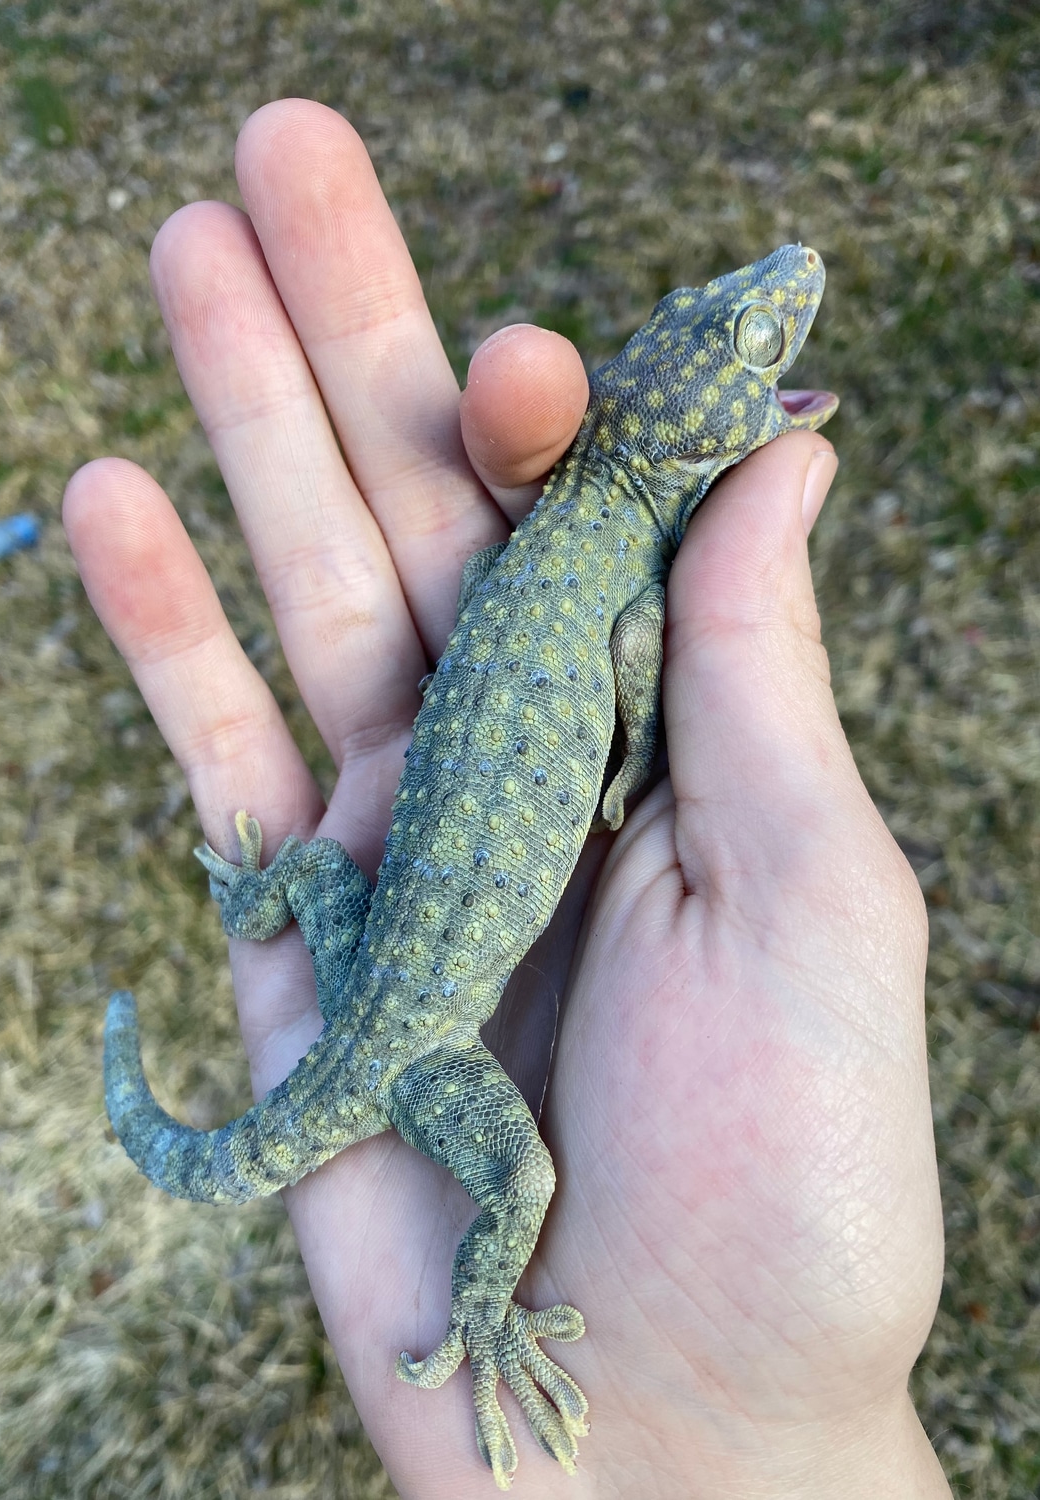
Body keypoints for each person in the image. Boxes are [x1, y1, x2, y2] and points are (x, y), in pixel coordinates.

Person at [63, 100, 952, 1497]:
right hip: (401, 1051)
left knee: (334, 888)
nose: (777, 291)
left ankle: (263, 893)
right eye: (734, 325)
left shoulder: (566, 532)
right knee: (521, 1187)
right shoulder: (634, 590)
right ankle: (484, 1317)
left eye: (752, 330)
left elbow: (559, 622)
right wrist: (644, 759)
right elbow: (640, 671)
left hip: (376, 973)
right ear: (691, 432)